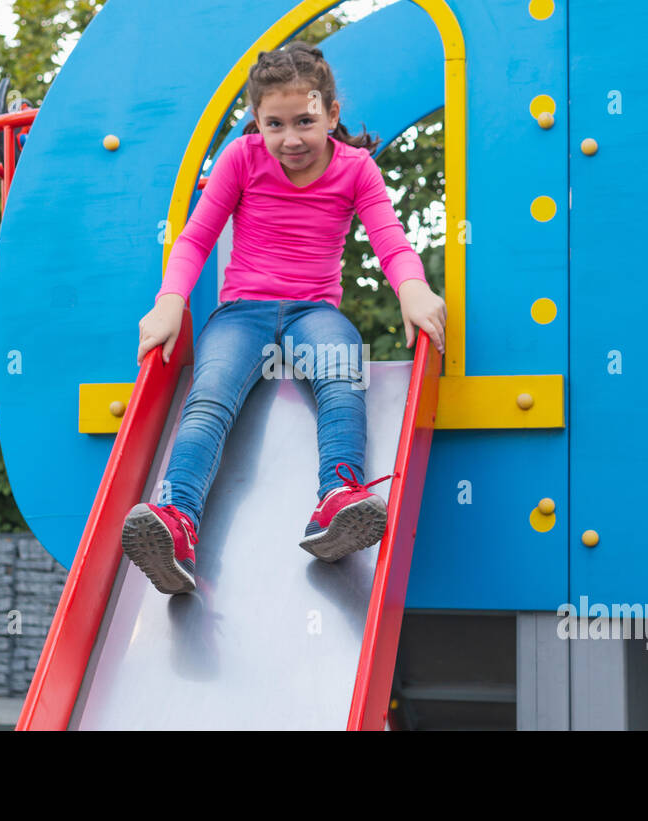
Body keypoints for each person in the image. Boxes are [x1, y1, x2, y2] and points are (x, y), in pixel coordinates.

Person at [122, 40, 447, 595]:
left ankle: (339, 500)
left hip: (314, 311)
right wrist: (171, 299)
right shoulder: (240, 159)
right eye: (274, 124)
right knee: (210, 395)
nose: (290, 138)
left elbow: (390, 241)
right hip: (241, 313)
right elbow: (197, 237)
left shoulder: (355, 169)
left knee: (342, 377)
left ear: (331, 114)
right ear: (256, 121)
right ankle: (177, 519)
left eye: (304, 120)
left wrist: (413, 287)